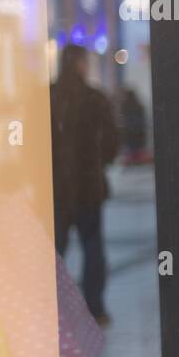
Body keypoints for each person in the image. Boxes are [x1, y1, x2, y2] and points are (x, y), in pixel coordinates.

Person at [50, 44, 120, 326]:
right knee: (92, 247)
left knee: (53, 252)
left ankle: (51, 308)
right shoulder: (94, 98)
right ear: (80, 64)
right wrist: (100, 162)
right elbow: (113, 141)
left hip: (56, 189)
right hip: (88, 187)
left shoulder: (47, 97)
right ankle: (95, 308)